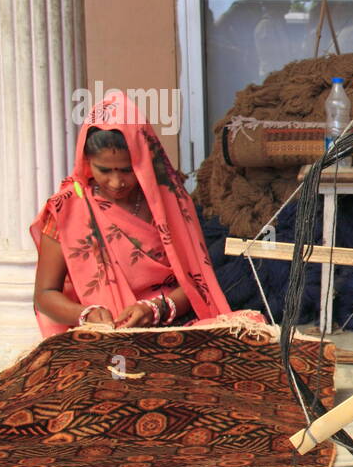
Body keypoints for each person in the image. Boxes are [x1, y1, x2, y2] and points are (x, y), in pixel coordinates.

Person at [31, 91, 232, 335]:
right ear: (86, 162)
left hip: (171, 326)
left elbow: (197, 282)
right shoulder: (67, 209)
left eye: (127, 170)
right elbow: (45, 294)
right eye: (104, 170)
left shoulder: (170, 203)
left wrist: (155, 308)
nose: (116, 182)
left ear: (143, 160)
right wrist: (86, 314)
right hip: (99, 333)